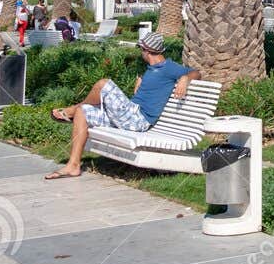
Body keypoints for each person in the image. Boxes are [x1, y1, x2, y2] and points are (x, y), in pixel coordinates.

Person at [45, 33, 198, 179]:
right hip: (130, 115)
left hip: (138, 120)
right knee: (82, 112)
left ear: (148, 50)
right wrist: (142, 83)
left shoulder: (169, 67)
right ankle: (73, 165)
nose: (141, 52)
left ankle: (70, 110)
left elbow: (196, 73)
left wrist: (185, 78)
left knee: (103, 84)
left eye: (141, 49)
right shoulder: (152, 69)